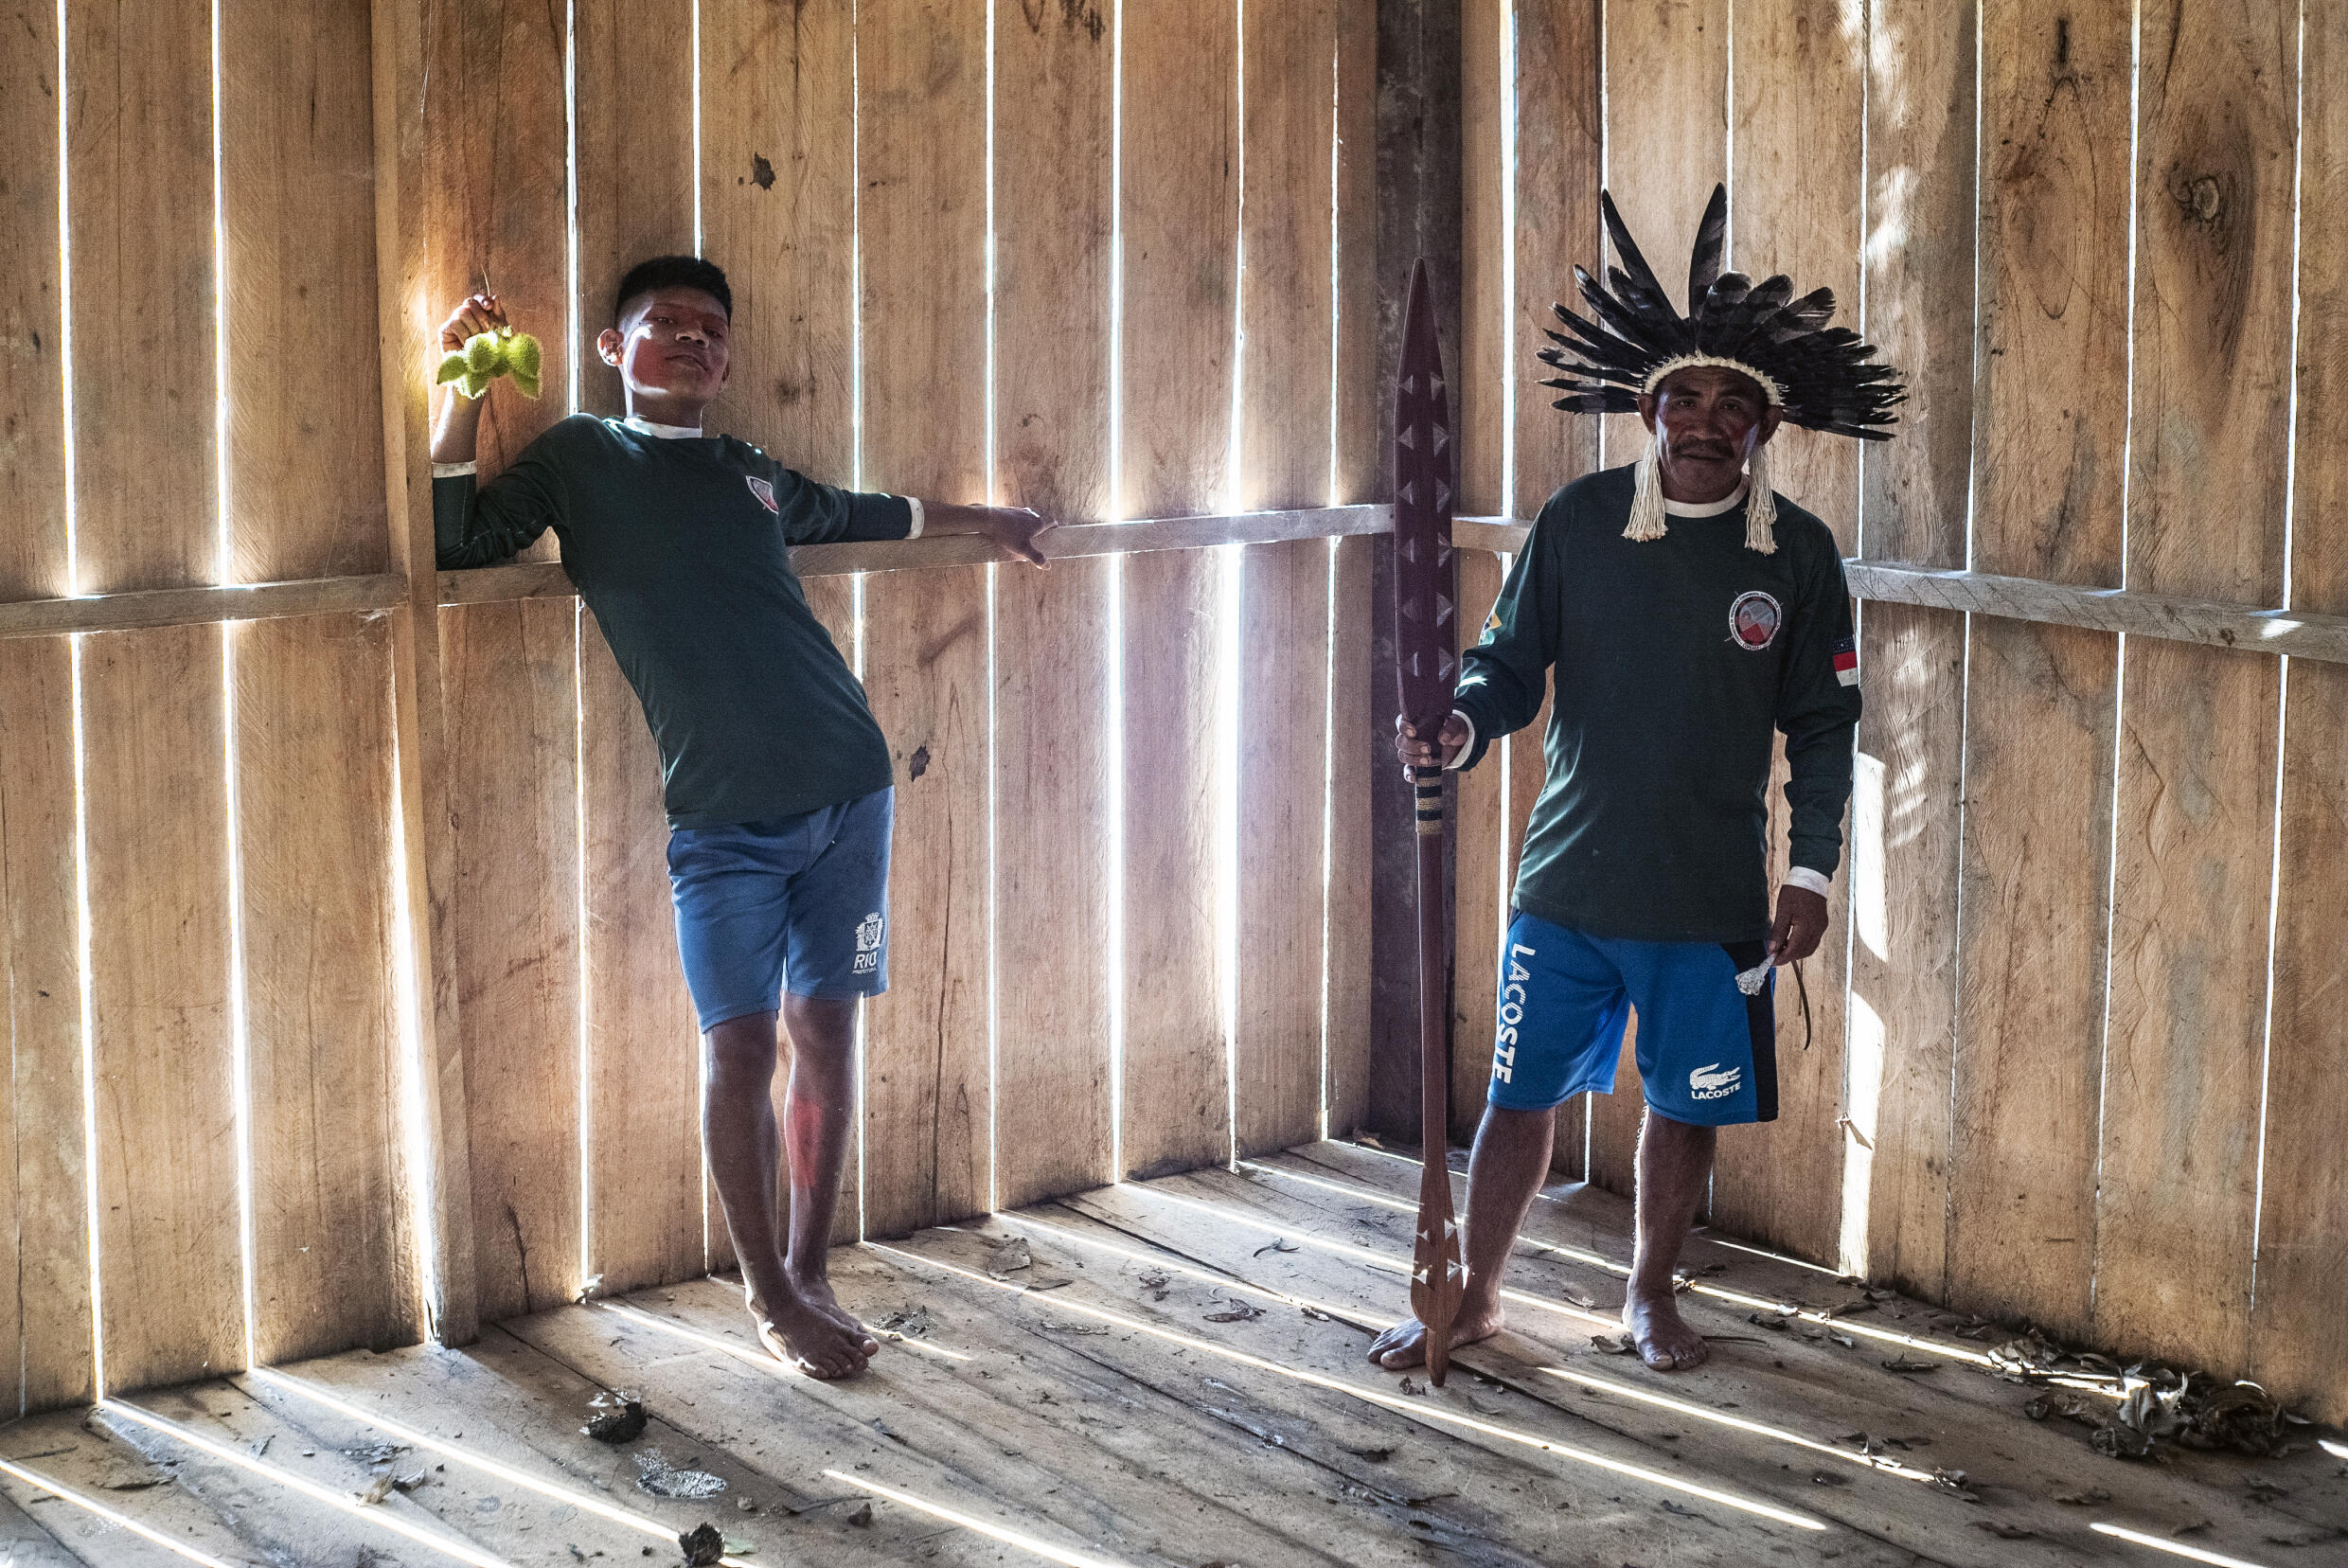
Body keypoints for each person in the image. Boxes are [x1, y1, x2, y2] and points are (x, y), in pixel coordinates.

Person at [431, 257, 1055, 1379]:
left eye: (711, 328)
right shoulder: (580, 458)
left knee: (826, 1032)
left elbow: (867, 511)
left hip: (849, 790)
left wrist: (988, 517)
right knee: (740, 1047)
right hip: (722, 824)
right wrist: (460, 393)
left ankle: (814, 1267)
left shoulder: (751, 471)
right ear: (612, 350)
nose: (691, 338)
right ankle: (770, 1296)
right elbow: (456, 542)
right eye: (662, 322)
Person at [1373, 186, 1899, 1374]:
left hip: (1709, 899)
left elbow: (1823, 726)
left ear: (1764, 425)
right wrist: (1455, 726)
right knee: (1519, 1098)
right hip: (1566, 885)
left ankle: (1649, 1294)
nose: (1705, 422)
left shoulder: (1796, 554)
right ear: (1648, 409)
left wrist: (1807, 872)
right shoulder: (1576, 522)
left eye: (1733, 404)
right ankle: (1475, 1292)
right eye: (1684, 400)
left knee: (1686, 1103)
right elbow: (1503, 667)